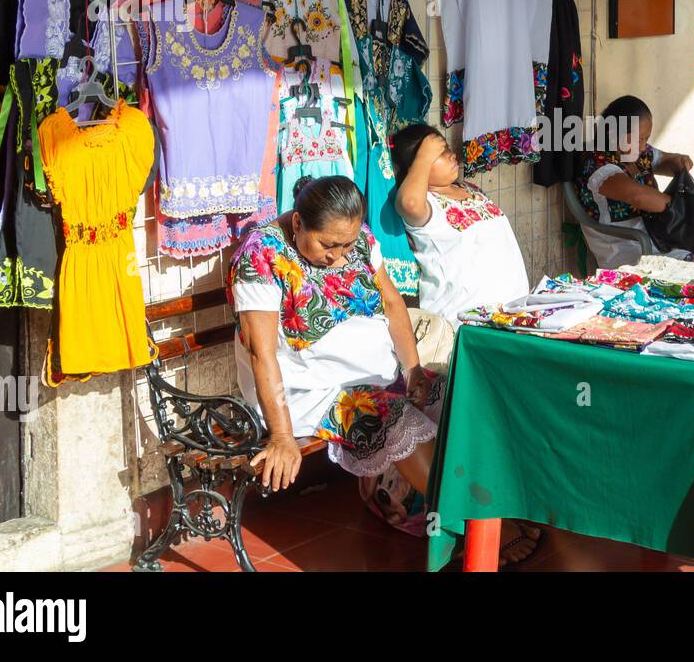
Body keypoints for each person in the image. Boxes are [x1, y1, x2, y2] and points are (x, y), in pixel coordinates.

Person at [228, 174, 540, 566]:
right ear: (297, 225)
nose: (339, 256)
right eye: (328, 245)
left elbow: (393, 305)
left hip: (368, 369)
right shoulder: (261, 257)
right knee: (392, 418)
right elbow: (261, 353)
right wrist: (281, 435)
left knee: (451, 394)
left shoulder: (355, 237)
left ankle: (488, 506)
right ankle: (472, 525)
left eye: (345, 245)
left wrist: (413, 372)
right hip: (305, 391)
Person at [392, 123, 530, 328]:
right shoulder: (428, 205)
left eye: (448, 148)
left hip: (512, 316)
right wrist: (424, 156)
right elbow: (409, 203)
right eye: (441, 152)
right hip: (466, 325)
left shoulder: (470, 189)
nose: (452, 155)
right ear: (417, 166)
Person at [572, 95, 694, 269]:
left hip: (655, 240)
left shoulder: (636, 153)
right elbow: (637, 195)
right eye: (640, 139)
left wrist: (678, 162)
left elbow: (664, 160)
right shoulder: (596, 164)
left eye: (647, 138)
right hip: (625, 250)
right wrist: (682, 208)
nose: (644, 145)